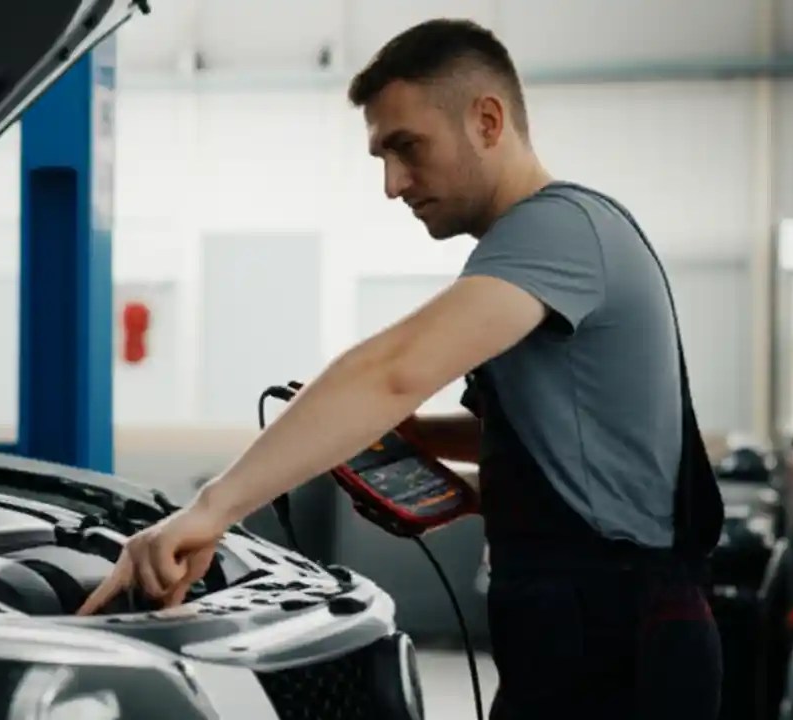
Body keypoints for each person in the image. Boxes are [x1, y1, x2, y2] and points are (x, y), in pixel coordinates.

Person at [78, 17, 723, 720]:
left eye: (407, 147)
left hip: (618, 643)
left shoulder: (559, 231)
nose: (392, 184)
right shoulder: (538, 257)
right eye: (381, 156)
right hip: (583, 632)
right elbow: (539, 442)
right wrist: (409, 442)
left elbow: (391, 371)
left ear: (486, 119)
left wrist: (209, 513)